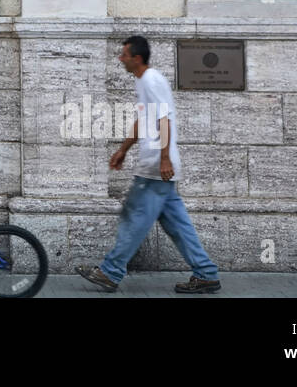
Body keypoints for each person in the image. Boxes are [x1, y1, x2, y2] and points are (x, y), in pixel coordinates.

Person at [75, 36, 221, 294]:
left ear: (137, 58)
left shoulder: (151, 80)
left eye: (124, 55)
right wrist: (123, 149)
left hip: (155, 167)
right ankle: (206, 273)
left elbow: (164, 119)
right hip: (157, 165)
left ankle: (110, 272)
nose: (121, 59)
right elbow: (143, 120)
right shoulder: (143, 81)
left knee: (135, 219)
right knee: (178, 225)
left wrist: (164, 158)